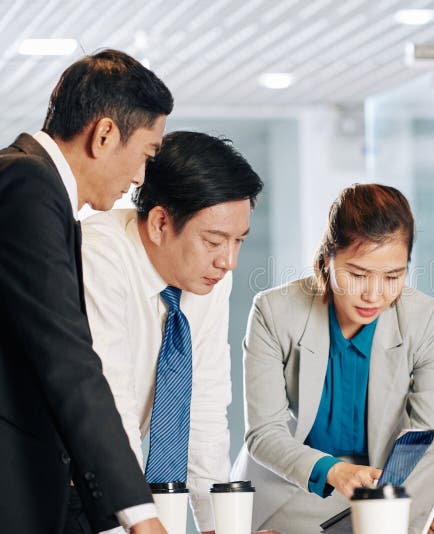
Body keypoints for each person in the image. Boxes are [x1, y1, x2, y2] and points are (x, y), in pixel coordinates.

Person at [230, 184, 434, 533]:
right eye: (358, 275)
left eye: (393, 276)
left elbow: (433, 437)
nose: (374, 294)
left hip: (386, 496)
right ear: (327, 259)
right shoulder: (274, 312)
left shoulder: (426, 320)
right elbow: (264, 434)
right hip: (289, 490)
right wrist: (334, 471)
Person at [0, 50, 173, 534]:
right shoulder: (28, 183)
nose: (140, 177)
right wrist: (140, 516)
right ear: (104, 135)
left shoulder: (40, 191)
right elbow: (67, 359)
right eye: (146, 154)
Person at [80, 131, 264, 533]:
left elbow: (204, 402)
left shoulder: (207, 278)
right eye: (214, 241)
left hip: (113, 482)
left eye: (239, 241)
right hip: (55, 483)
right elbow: (111, 403)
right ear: (161, 223)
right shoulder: (99, 254)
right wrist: (140, 519)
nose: (229, 261)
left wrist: (218, 525)